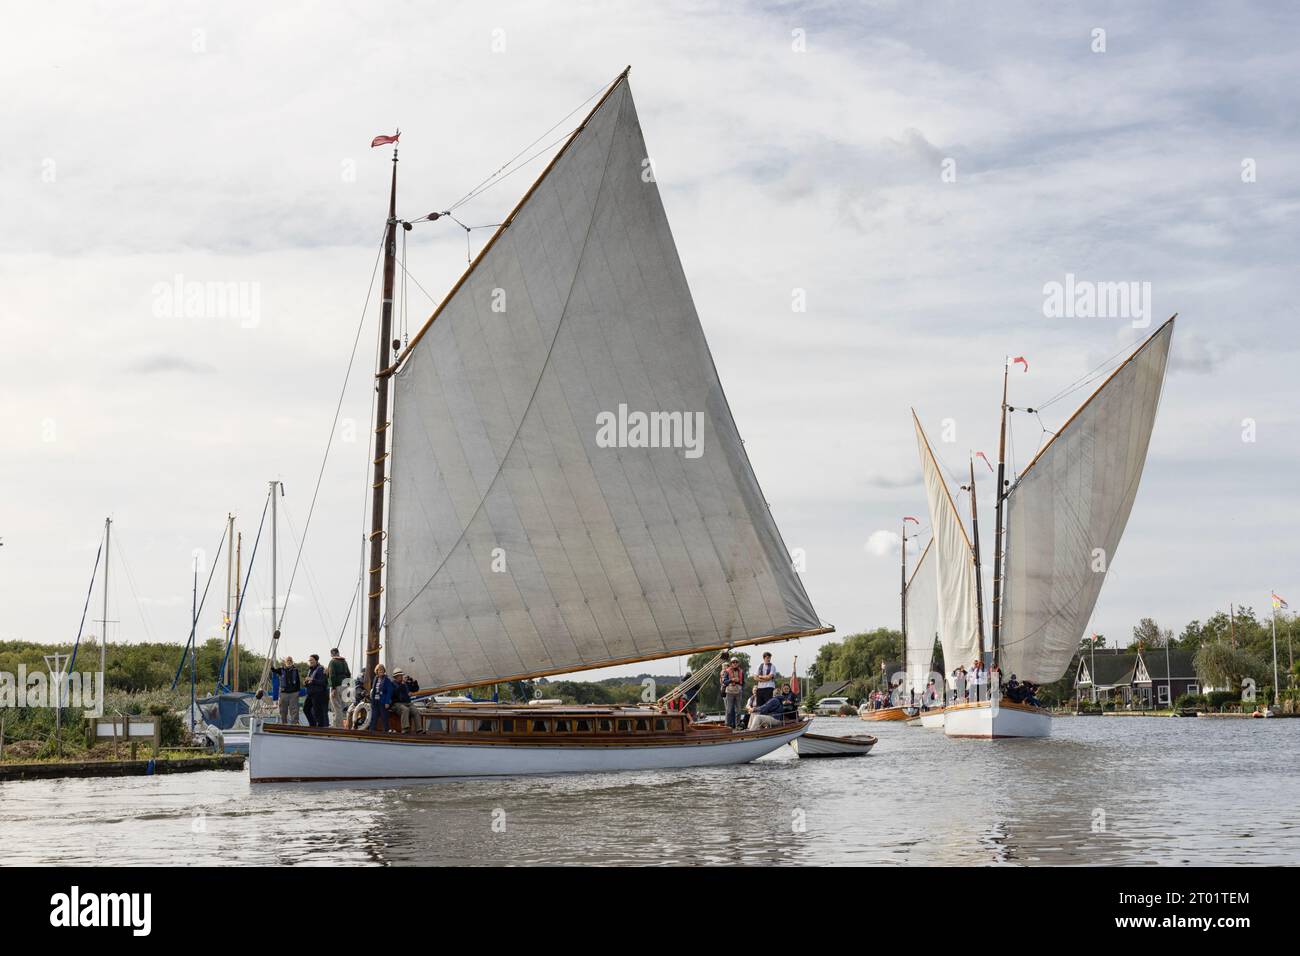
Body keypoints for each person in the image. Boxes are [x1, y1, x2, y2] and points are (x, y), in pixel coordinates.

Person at [389, 668, 419, 733]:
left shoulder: (405, 684)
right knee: (405, 710)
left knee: (416, 711)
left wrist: (414, 682)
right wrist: (402, 684)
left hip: (407, 703)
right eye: (400, 675)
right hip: (397, 704)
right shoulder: (392, 684)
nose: (401, 677)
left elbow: (415, 689)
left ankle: (419, 730)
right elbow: (395, 692)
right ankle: (405, 729)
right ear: (395, 677)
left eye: (401, 675)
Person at [327, 648, 351, 728]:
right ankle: (336, 725)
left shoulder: (332, 662)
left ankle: (338, 727)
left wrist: (333, 688)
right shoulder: (344, 662)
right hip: (344, 686)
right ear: (338, 653)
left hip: (336, 686)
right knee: (340, 706)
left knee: (337, 707)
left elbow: (332, 676)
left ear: (332, 654)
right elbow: (348, 674)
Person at [273, 657, 301, 726]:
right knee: (283, 710)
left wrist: (297, 691)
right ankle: (284, 723)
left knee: (294, 710)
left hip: (293, 693)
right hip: (284, 692)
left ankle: (294, 724)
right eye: (288, 660)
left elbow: (298, 681)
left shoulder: (295, 670)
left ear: (292, 661)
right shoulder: (281, 669)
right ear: (285, 662)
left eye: (290, 660)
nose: (289, 661)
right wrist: (270, 665)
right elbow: (274, 670)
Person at [303, 654, 329, 727]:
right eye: (309, 660)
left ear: (316, 660)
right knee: (306, 709)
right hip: (310, 693)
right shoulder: (310, 669)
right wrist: (306, 682)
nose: (310, 661)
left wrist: (312, 680)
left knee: (318, 712)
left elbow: (323, 682)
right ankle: (313, 725)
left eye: (312, 660)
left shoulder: (320, 669)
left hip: (318, 694)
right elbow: (309, 681)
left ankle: (320, 727)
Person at [369, 664, 394, 732]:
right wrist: (372, 701)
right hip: (375, 702)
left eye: (382, 670)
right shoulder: (375, 679)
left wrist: (387, 702)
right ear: (377, 671)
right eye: (379, 670)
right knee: (374, 717)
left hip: (383, 702)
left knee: (384, 718)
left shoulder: (387, 680)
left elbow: (389, 692)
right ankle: (371, 732)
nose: (381, 671)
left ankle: (386, 732)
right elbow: (373, 690)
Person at [721, 658, 744, 729]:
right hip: (730, 692)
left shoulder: (741, 671)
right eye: (733, 662)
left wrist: (740, 686)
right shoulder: (727, 671)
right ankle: (728, 726)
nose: (735, 663)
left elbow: (743, 682)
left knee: (739, 711)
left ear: (738, 663)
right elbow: (724, 681)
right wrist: (732, 680)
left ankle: (738, 725)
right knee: (729, 710)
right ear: (731, 663)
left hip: (738, 692)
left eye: (736, 662)